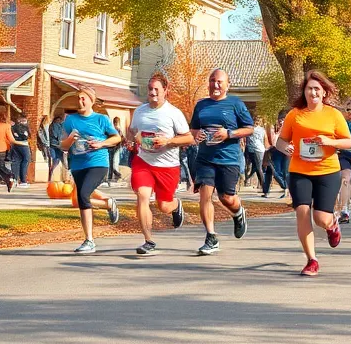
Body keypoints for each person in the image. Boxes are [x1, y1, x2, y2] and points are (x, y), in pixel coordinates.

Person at [276, 71, 351, 276]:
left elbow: (348, 141)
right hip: (300, 170)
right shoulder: (295, 114)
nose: (313, 92)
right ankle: (312, 259)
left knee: (321, 219)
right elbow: (280, 141)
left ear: (324, 92)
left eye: (317, 89)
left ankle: (332, 224)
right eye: (309, 88)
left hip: (327, 170)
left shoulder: (333, 114)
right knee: (302, 211)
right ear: (304, 91)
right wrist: (286, 148)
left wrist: (330, 142)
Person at [127, 73, 194, 255]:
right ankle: (148, 241)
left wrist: (168, 141)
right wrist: (132, 140)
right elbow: (131, 130)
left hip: (167, 166)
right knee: (142, 196)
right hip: (144, 162)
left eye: (157, 89)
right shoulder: (140, 111)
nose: (153, 92)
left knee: (163, 205)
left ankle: (176, 205)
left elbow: (189, 138)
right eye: (150, 89)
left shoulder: (174, 113)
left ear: (166, 90)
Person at [190, 69, 254, 256]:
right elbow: (193, 129)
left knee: (226, 198)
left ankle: (238, 211)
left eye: (219, 82)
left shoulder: (235, 104)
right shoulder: (201, 105)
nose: (215, 85)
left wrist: (229, 133)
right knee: (205, 195)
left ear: (227, 84)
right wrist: (197, 135)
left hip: (228, 158)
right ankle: (211, 237)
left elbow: (249, 128)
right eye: (212, 81)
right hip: (205, 158)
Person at [59, 87, 121, 252]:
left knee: (84, 194)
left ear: (91, 101)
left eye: (83, 98)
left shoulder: (101, 119)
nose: (80, 102)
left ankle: (89, 241)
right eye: (78, 98)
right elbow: (63, 145)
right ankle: (108, 204)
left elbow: (116, 138)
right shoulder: (70, 120)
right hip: (78, 164)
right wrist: (71, 139)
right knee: (81, 198)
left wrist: (101, 144)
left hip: (98, 163)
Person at [262, 109, 290, 198]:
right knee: (275, 171)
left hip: (285, 152)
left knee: (283, 171)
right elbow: (269, 139)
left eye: (283, 119)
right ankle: (285, 187)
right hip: (275, 150)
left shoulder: (289, 128)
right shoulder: (273, 128)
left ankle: (287, 189)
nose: (281, 121)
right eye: (280, 119)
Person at [243, 113, 266, 191]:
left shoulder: (257, 129)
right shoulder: (258, 129)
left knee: (258, 168)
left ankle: (264, 186)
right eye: (255, 120)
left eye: (258, 121)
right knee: (252, 167)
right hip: (251, 149)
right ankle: (249, 180)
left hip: (257, 150)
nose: (256, 122)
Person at [10, 116, 33, 188]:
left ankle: (14, 179)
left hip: (15, 144)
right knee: (26, 160)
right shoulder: (23, 126)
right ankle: (23, 181)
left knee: (16, 161)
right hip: (23, 144)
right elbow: (25, 136)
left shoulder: (12, 127)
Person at [47, 114, 68, 181]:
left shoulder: (60, 125)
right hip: (55, 146)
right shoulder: (55, 125)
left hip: (57, 146)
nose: (59, 121)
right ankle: (51, 176)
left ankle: (51, 177)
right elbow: (56, 135)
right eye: (58, 120)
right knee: (57, 161)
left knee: (57, 161)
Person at [106, 116, 125, 184]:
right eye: (116, 123)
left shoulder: (117, 130)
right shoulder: (115, 130)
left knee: (112, 163)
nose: (116, 125)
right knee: (111, 163)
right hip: (113, 148)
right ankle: (112, 176)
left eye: (117, 123)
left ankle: (116, 175)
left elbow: (122, 138)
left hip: (114, 148)